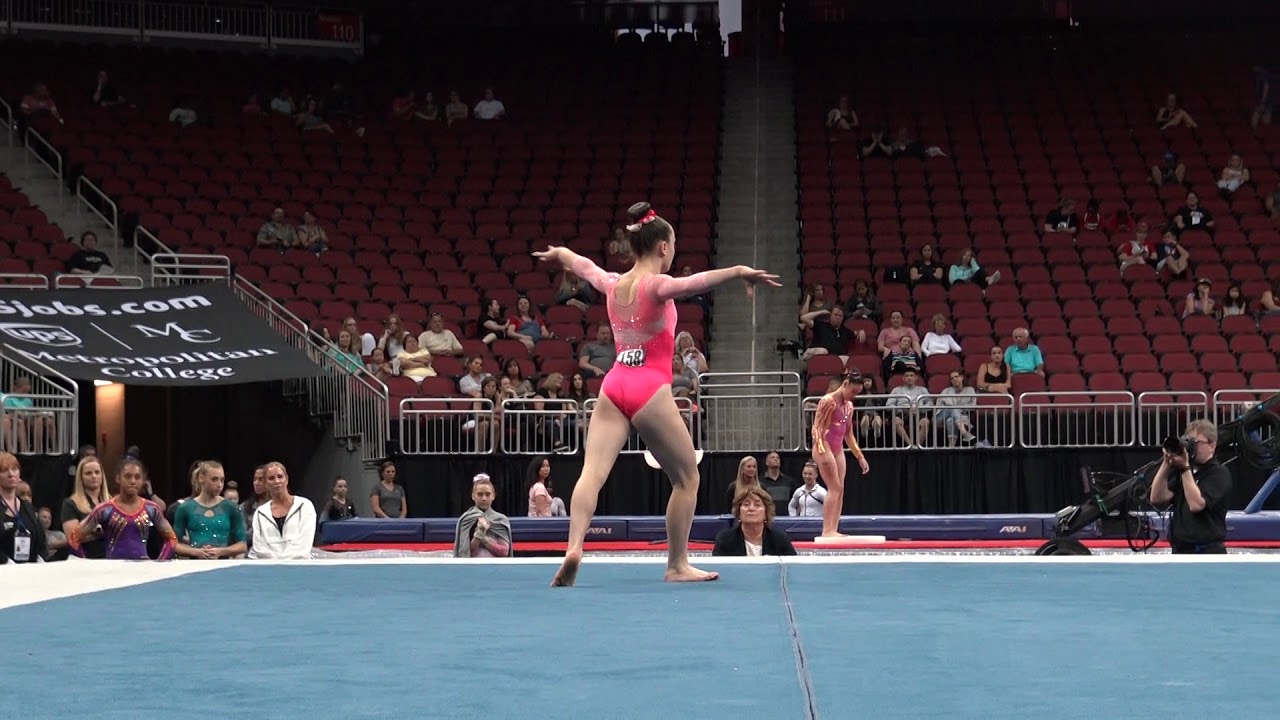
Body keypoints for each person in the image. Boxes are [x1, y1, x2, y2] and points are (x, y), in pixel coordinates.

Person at [533, 201, 780, 586]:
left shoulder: (613, 283)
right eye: (674, 245)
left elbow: (583, 265)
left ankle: (575, 546)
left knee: (592, 473)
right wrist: (737, 271)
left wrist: (560, 253)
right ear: (663, 247)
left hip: (614, 384)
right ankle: (677, 564)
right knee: (687, 478)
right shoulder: (657, 285)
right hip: (649, 387)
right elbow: (695, 283)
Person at [1148, 420, 1232, 554]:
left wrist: (1185, 468)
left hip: (1207, 551)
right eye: (1188, 441)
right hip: (1180, 550)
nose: (1191, 447)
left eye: (1196, 443)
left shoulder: (1219, 473)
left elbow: (1196, 505)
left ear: (1212, 446)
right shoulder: (1186, 471)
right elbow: (1157, 497)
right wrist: (1166, 463)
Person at [70, 459, 177, 560]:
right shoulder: (104, 509)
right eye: (128, 476)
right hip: (113, 569)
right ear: (118, 478)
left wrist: (161, 562)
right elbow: (74, 538)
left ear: (143, 481)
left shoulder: (152, 508)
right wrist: (85, 563)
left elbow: (172, 538)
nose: (133, 481)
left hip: (142, 568)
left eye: (137, 477)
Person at [810, 371, 870, 538]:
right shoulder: (828, 401)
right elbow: (817, 429)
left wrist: (860, 456)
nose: (854, 396)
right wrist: (822, 450)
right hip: (824, 445)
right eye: (853, 392)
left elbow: (848, 434)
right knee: (834, 488)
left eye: (857, 393)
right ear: (845, 384)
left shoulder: (849, 406)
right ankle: (827, 530)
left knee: (840, 489)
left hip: (837, 449)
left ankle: (833, 529)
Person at [172, 461, 247, 559]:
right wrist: (196, 552)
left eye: (222, 480)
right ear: (201, 478)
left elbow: (242, 545)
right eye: (214, 479)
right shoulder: (185, 508)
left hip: (223, 564)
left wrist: (221, 551)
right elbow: (173, 544)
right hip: (195, 564)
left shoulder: (230, 507)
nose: (219, 485)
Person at [249, 462, 316, 559]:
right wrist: (277, 564)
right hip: (270, 566)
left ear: (286, 479)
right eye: (271, 478)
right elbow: (259, 547)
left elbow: (304, 543)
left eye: (280, 477)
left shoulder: (305, 506)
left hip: (300, 564)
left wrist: (284, 562)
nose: (277, 481)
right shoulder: (260, 513)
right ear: (265, 484)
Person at [712, 486, 797, 557]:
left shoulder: (780, 540)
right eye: (746, 504)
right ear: (739, 512)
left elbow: (793, 568)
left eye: (757, 505)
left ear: (766, 513)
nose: (751, 509)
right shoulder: (725, 539)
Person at [0, 452, 47, 564]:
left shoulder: (28, 507)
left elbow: (41, 540)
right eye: (4, 470)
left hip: (30, 569)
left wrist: (40, 560)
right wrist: (6, 562)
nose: (11, 474)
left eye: (14, 469)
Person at [454, 474, 512, 558]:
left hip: (495, 565)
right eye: (480, 494)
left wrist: (484, 538)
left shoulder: (500, 519)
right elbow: (464, 553)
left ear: (493, 496)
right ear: (473, 496)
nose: (484, 498)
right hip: (472, 565)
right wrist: (479, 534)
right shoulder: (466, 519)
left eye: (488, 494)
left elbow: (504, 552)